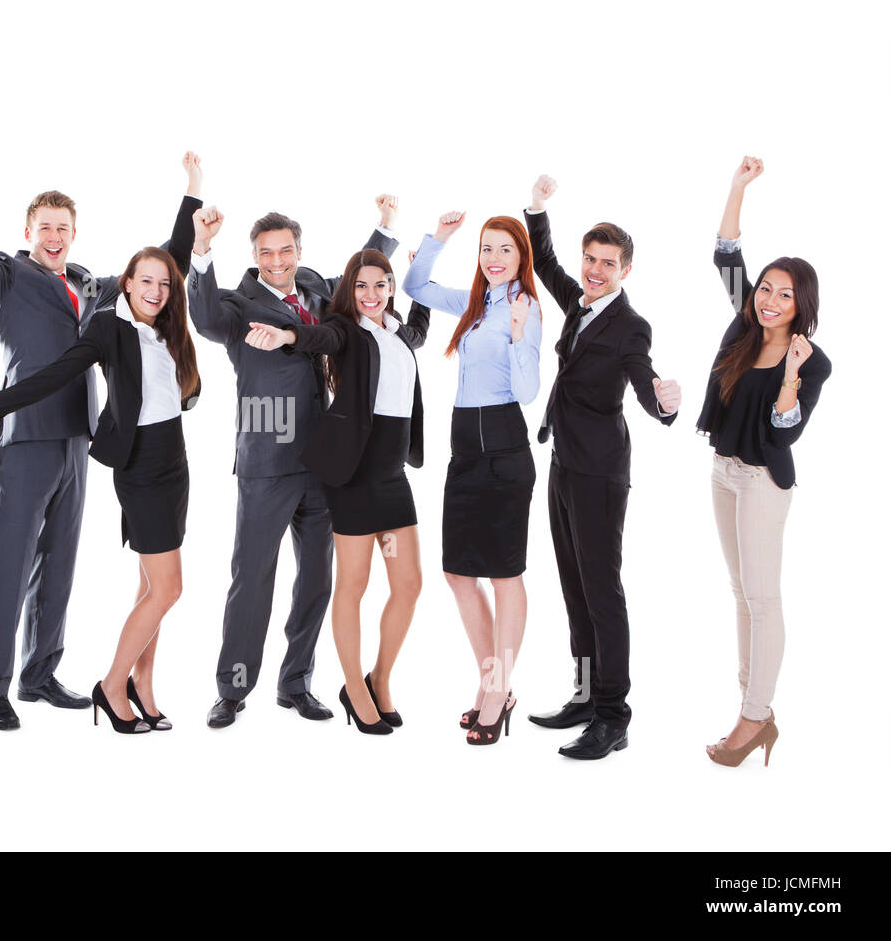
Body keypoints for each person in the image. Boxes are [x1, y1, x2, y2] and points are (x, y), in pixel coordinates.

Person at [0, 149, 202, 730]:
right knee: (11, 561)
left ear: (75, 233)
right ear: (29, 233)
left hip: (80, 437)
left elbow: (158, 271)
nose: (55, 236)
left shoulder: (90, 286)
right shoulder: (7, 277)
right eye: (45, 228)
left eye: (64, 228)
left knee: (59, 561)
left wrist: (191, 196)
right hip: (27, 433)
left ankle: (40, 674)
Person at [188, 197, 401, 729]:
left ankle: (297, 681)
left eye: (286, 250)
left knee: (316, 579)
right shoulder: (238, 304)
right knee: (252, 577)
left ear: (299, 251)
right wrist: (201, 248)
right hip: (266, 458)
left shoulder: (314, 289)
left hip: (323, 459)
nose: (277, 261)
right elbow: (205, 316)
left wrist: (385, 229)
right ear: (255, 255)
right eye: (267, 252)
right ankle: (232, 689)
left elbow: (359, 280)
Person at [522, 174, 682, 760]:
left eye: (606, 263)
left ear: (625, 270)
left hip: (599, 474)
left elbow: (644, 381)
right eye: (590, 259)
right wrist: (537, 208)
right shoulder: (581, 304)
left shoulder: (629, 326)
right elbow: (544, 262)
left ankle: (614, 717)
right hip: (564, 463)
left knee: (602, 593)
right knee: (573, 585)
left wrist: (663, 400)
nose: (593, 270)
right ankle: (586, 697)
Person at [245, 248, 428, 735]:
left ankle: (378, 678)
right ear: (350, 290)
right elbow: (318, 335)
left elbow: (422, 322)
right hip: (354, 479)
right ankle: (354, 686)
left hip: (392, 480)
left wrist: (428, 255)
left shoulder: (397, 332)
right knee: (354, 584)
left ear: (390, 287)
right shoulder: (347, 330)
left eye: (380, 285)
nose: (371, 294)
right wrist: (286, 334)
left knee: (408, 583)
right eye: (361, 286)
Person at [698, 156, 830, 767]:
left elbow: (786, 432)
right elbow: (727, 254)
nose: (771, 299)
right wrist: (736, 187)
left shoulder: (812, 360)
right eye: (766, 288)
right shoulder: (744, 326)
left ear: (803, 304)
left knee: (763, 596)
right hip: (723, 471)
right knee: (738, 591)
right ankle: (752, 705)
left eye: (785, 294)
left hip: (764, 481)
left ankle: (755, 716)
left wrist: (793, 376)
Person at [402, 212, 543, 745]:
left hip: (505, 445)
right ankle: (494, 683)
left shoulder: (524, 308)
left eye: (505, 250)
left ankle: (496, 687)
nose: (494, 258)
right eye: (487, 249)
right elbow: (416, 285)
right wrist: (438, 238)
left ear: (520, 256)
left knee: (504, 575)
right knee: (459, 572)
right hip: (463, 446)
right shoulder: (472, 303)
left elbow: (528, 393)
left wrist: (512, 338)